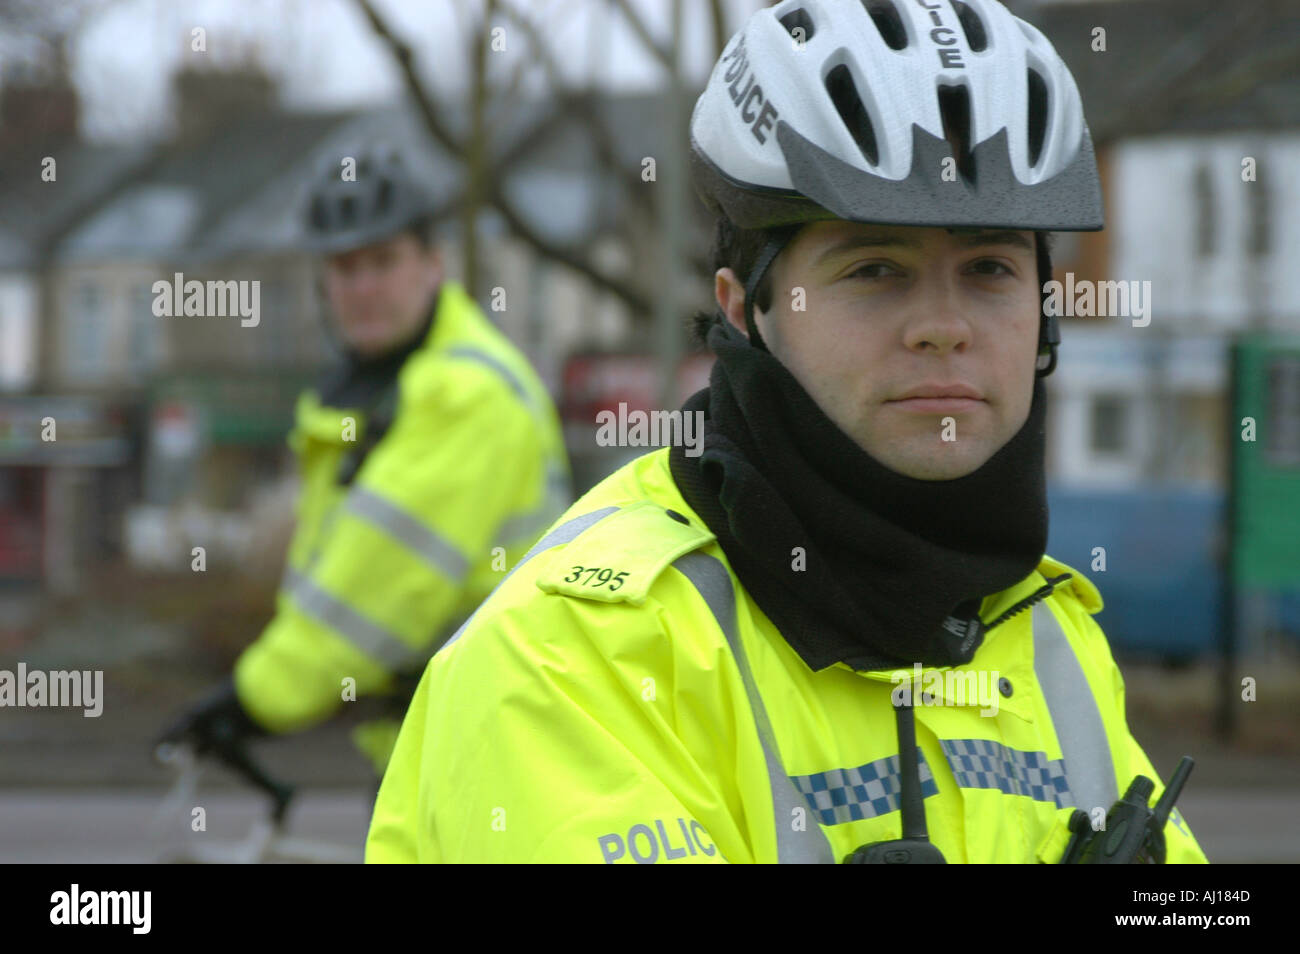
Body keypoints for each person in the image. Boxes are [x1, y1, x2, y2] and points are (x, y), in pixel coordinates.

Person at [366, 1, 1208, 862]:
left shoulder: (1048, 628)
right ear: (746, 311)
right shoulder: (575, 654)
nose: (943, 327)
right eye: (875, 269)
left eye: (990, 268)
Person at [158, 146, 571, 784]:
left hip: (493, 747)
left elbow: (370, 590)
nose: (364, 287)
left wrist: (253, 700)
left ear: (433, 265)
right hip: (438, 735)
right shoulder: (382, 388)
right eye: (345, 268)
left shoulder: (465, 394)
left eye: (384, 262)